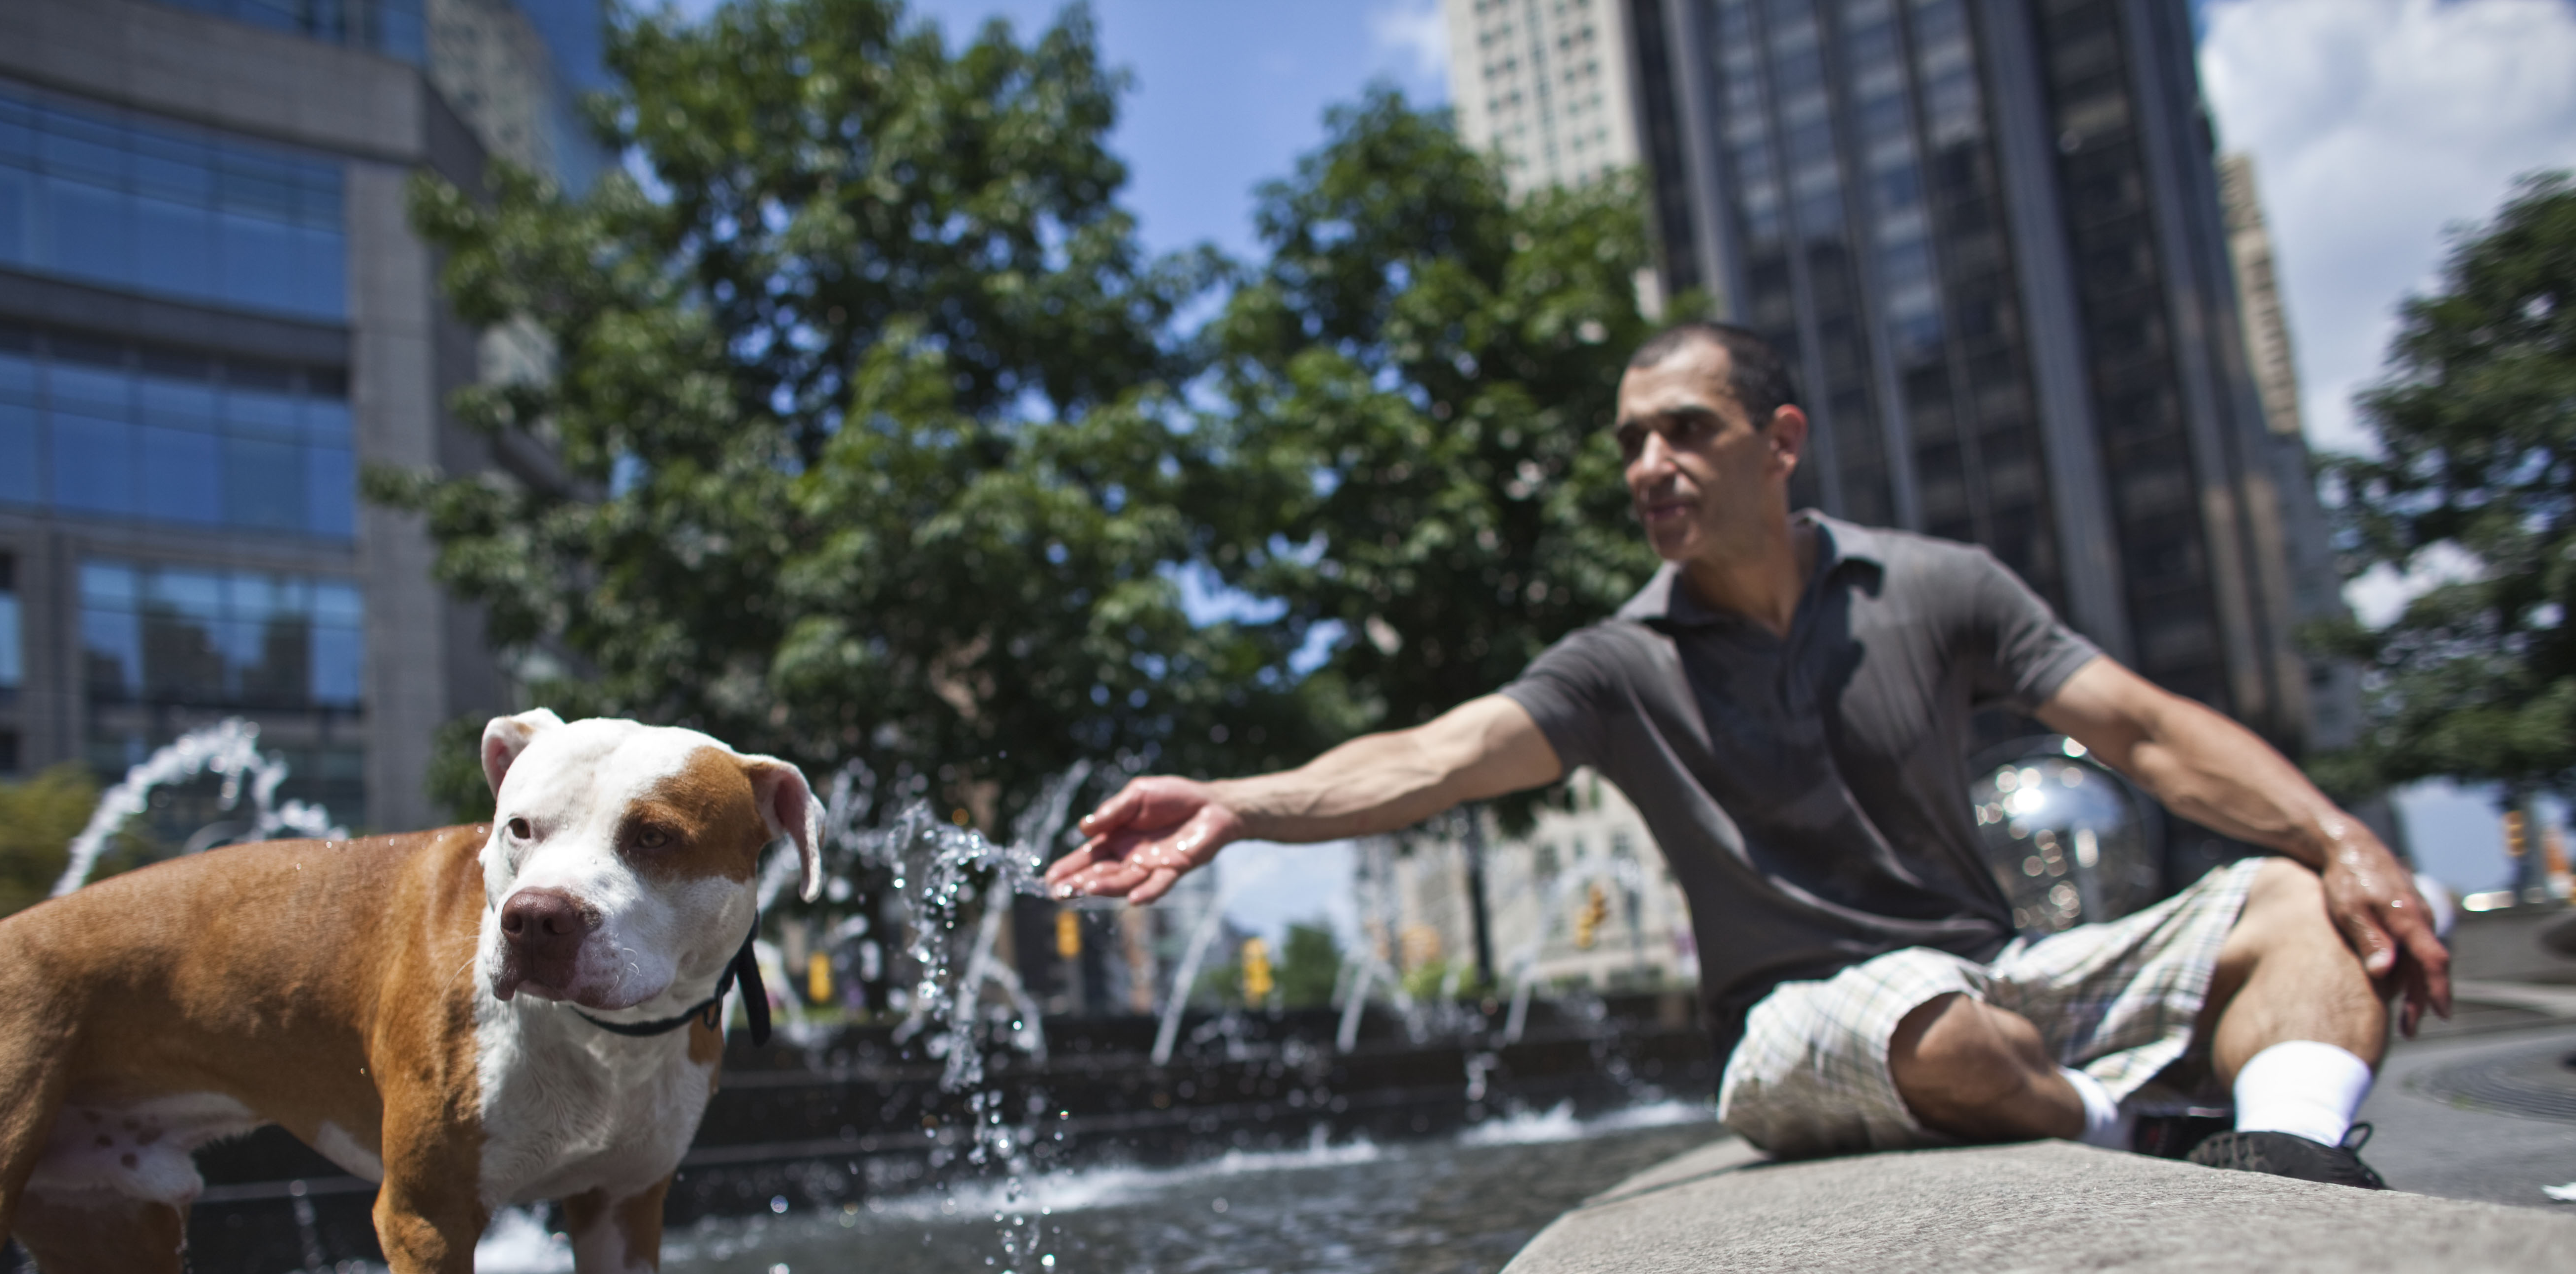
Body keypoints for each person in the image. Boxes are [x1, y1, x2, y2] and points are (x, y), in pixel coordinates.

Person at [1045, 322, 2449, 1187]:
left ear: (1778, 442)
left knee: (2301, 901)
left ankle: (2291, 1164)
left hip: (2000, 979)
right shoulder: (1616, 666)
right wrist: (1236, 802)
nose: (1648, 464)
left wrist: (2340, 839)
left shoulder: (1941, 586)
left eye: (1684, 431)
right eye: (1629, 443)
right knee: (1933, 1031)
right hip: (1818, 1029)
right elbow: (1433, 756)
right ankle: (2146, 1136)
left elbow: (2141, 729)